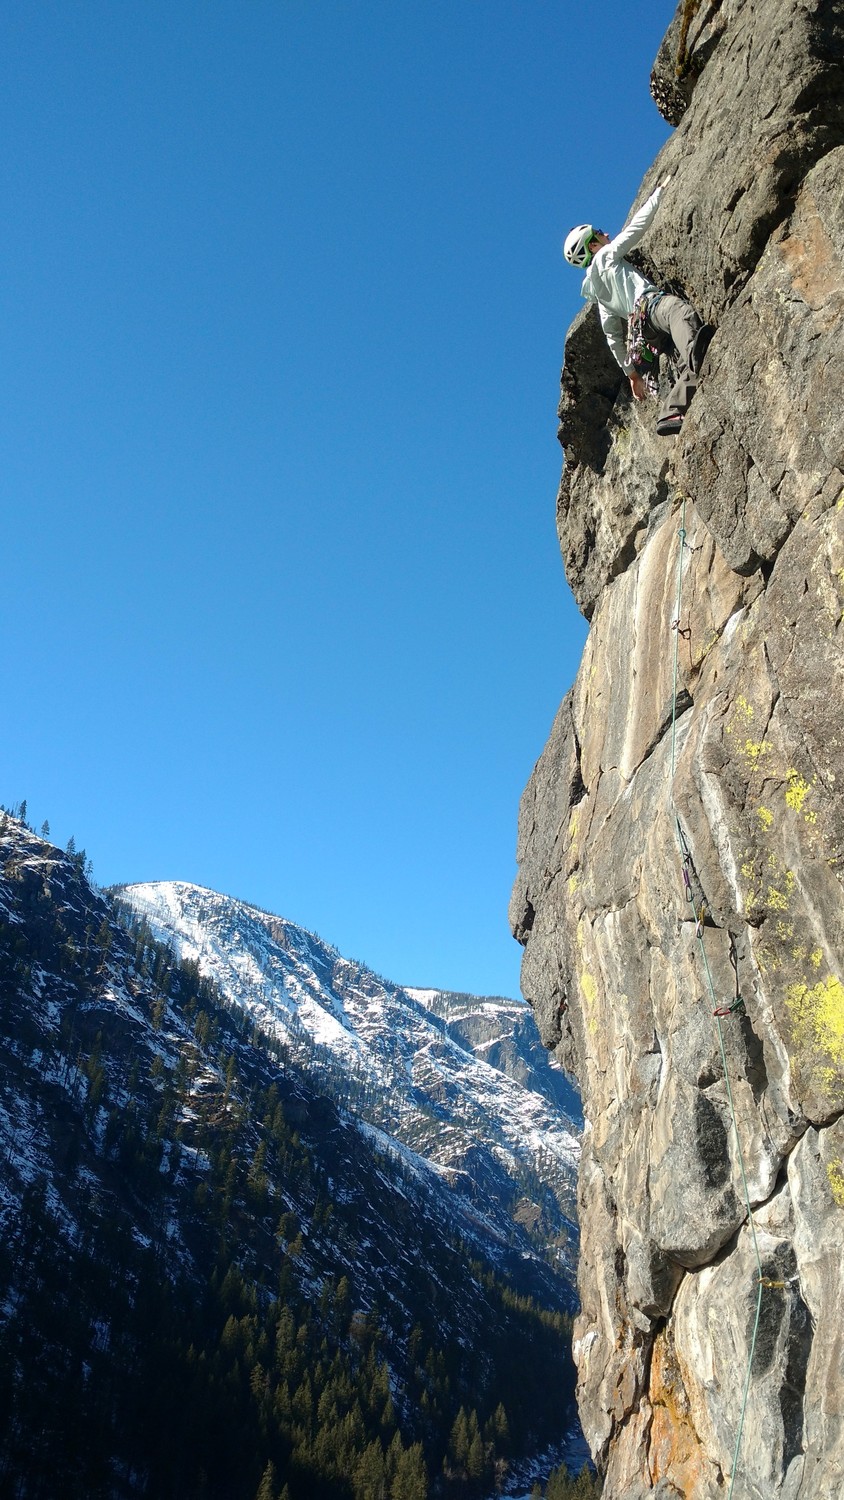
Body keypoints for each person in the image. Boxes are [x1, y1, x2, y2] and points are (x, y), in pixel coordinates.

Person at [563, 176, 711, 437]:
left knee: (685, 362)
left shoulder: (599, 294)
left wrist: (632, 375)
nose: (606, 233)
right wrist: (658, 194)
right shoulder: (605, 257)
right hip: (652, 307)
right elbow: (635, 230)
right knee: (681, 312)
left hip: (645, 334)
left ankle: (672, 411)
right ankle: (694, 355)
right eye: (599, 233)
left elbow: (613, 336)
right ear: (593, 246)